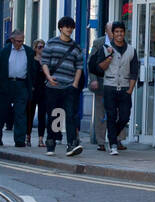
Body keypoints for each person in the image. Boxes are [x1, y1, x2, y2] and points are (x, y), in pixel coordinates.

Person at [90, 21, 140, 156]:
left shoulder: (131, 50)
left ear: (124, 33)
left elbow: (134, 71)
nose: (119, 34)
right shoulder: (105, 48)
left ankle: (112, 136)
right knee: (111, 116)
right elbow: (99, 68)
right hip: (109, 86)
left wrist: (130, 89)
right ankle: (113, 144)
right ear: (112, 33)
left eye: (121, 32)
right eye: (116, 32)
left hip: (124, 88)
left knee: (124, 117)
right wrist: (109, 57)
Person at [40, 16, 84, 157]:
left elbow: (79, 67)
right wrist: (48, 77)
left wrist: (75, 84)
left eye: (71, 27)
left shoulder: (76, 47)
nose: (69, 29)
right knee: (55, 116)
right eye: (66, 26)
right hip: (52, 86)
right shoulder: (51, 43)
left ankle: (71, 144)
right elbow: (44, 62)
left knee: (70, 115)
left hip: (69, 87)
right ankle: (51, 142)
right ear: (60, 28)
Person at [0, 30, 31, 146]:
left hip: (21, 84)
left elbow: (31, 70)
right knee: (1, 113)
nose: (20, 43)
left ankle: (19, 140)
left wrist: (31, 87)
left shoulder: (28, 51)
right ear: (12, 40)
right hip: (6, 84)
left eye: (22, 41)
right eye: (18, 41)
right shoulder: (5, 51)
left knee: (20, 113)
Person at [26, 38, 48, 146]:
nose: (42, 49)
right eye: (40, 47)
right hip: (33, 90)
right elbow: (29, 74)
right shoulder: (31, 60)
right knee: (30, 113)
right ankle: (28, 137)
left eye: (43, 47)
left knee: (42, 115)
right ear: (35, 48)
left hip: (43, 89)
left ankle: (40, 139)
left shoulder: (45, 61)